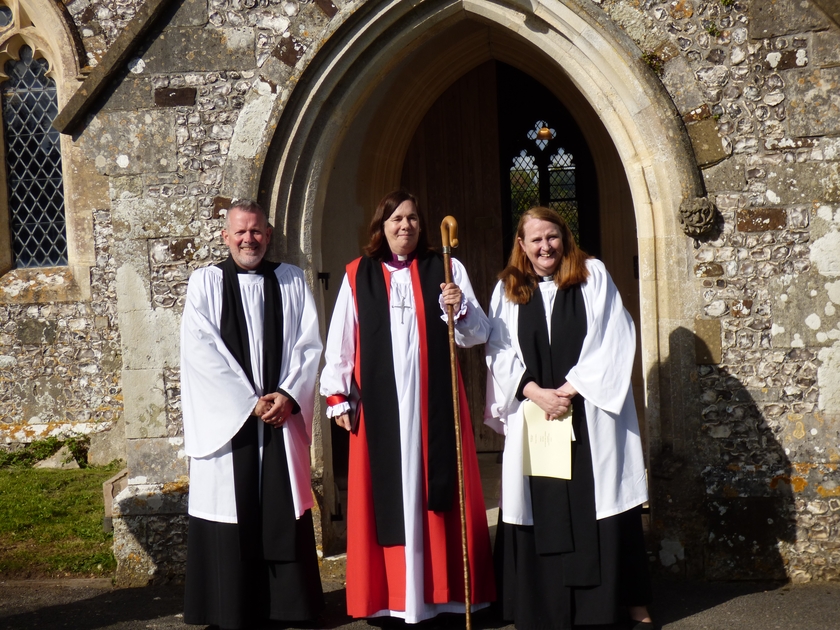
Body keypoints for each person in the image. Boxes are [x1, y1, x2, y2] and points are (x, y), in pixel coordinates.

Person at [321, 190, 496, 623]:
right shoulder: (357, 274)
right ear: (381, 227)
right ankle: (394, 597)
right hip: (381, 408)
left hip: (433, 403)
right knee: (390, 498)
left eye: (414, 218)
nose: (406, 226)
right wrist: (337, 393)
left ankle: (445, 594)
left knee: (437, 493)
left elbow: (477, 334)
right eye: (397, 219)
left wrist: (457, 309)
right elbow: (341, 339)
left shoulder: (447, 268)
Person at [484, 206, 653, 630]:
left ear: (565, 238)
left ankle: (616, 605)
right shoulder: (508, 289)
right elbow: (498, 350)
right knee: (541, 505)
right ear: (521, 245)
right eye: (536, 239)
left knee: (600, 498)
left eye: (552, 237)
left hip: (589, 412)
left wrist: (570, 389)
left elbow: (616, 335)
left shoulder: (593, 276)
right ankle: (544, 608)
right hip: (536, 414)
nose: (546, 247)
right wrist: (534, 392)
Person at [180, 200, 324, 629]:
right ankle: (230, 607)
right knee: (230, 503)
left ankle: (289, 606)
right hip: (233, 428)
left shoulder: (292, 281)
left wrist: (286, 394)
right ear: (225, 236)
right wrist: (248, 401)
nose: (249, 239)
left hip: (278, 418)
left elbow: (310, 344)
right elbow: (201, 350)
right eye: (240, 232)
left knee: (282, 503)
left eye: (257, 231)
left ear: (269, 234)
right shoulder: (205, 283)